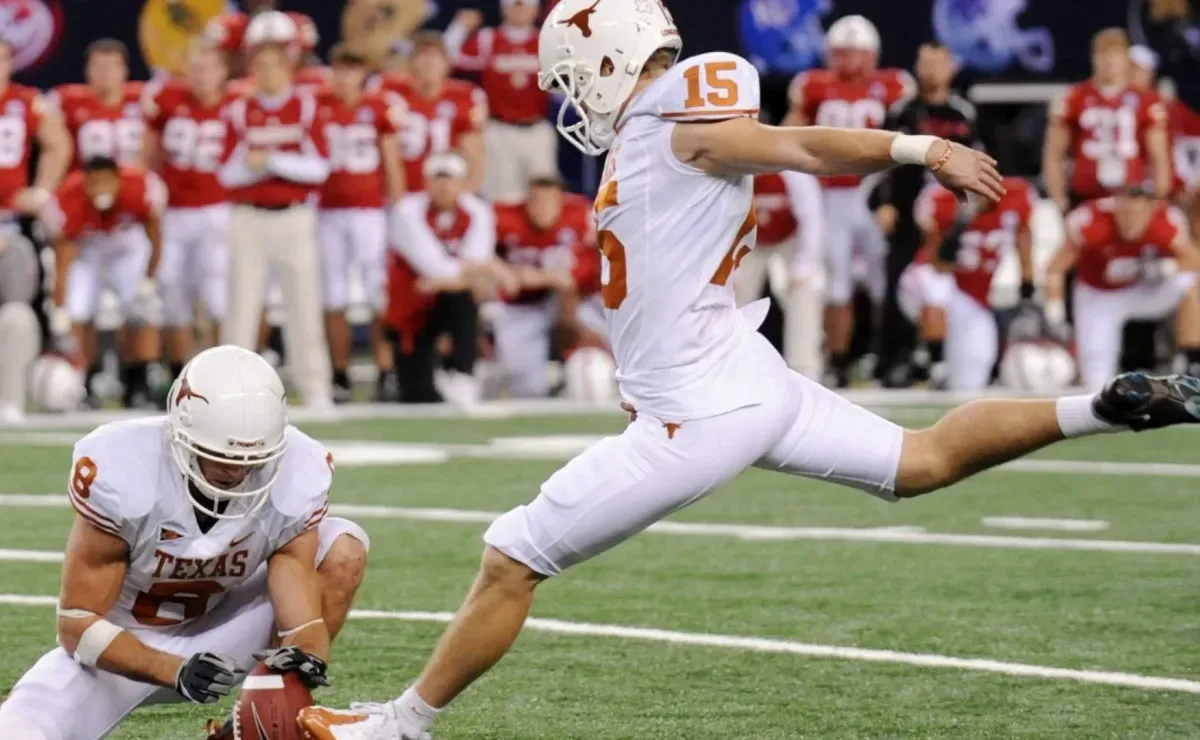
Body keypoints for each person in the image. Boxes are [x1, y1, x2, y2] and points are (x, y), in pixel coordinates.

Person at [298, 2, 1200, 737]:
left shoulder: (679, 116)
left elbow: (799, 147)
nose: (570, 95)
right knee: (919, 460)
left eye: (573, 75)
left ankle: (401, 727)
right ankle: (1102, 407)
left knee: (511, 556)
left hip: (700, 411)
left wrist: (920, 149)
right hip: (742, 372)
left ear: (611, 62)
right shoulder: (653, 131)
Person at [0, 345, 370, 740]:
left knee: (341, 545)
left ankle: (247, 729)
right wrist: (175, 670)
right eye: (219, 456)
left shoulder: (296, 469)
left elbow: (302, 622)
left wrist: (305, 657)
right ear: (181, 432)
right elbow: (77, 623)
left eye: (254, 459)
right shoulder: (125, 468)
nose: (237, 469)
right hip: (115, 650)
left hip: (224, 633)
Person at [786, 15, 914, 387]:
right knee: (836, 281)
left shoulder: (894, 85)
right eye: (841, 52)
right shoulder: (813, 85)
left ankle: (885, 354)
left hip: (875, 192)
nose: (849, 60)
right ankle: (839, 359)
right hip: (829, 194)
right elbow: (791, 133)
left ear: (873, 55)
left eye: (856, 52)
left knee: (884, 280)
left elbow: (909, 133)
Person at [218, 11, 333, 410]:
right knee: (242, 308)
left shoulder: (306, 107)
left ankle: (315, 387)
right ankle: (230, 392)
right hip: (248, 217)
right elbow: (227, 173)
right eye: (261, 65)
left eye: (275, 64)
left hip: (294, 216)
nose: (268, 73)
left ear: (289, 66)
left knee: (304, 304)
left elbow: (320, 168)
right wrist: (260, 164)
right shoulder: (239, 110)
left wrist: (270, 161)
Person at [874, 42, 980, 386]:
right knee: (898, 284)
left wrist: (969, 211)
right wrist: (884, 202)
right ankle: (897, 357)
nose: (931, 70)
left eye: (938, 63)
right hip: (907, 211)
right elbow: (880, 159)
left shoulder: (963, 113)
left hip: (950, 216)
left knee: (950, 284)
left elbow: (980, 162)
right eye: (926, 63)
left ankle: (946, 357)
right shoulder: (902, 111)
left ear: (952, 68)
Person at [316, 45, 406, 404]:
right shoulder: (317, 104)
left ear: (363, 75)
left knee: (377, 293)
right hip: (327, 211)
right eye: (340, 70)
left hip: (370, 211)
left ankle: (386, 369)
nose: (345, 78)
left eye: (352, 71)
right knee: (333, 295)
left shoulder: (378, 107)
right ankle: (339, 373)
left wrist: (397, 206)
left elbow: (391, 159)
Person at [142, 39, 234, 388]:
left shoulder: (237, 104)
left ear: (223, 71)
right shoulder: (168, 99)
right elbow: (149, 151)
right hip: (175, 211)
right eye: (195, 68)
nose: (201, 76)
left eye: (208, 68)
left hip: (218, 209)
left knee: (218, 294)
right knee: (170, 289)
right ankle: (180, 375)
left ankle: (224, 373)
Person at [1046, 187, 1200, 389]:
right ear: (1116, 208)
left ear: (1151, 210)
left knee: (1188, 281)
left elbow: (1194, 260)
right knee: (1095, 380)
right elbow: (1055, 268)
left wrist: (1166, 267)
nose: (1131, 222)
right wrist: (1054, 311)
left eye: (1139, 214)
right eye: (1126, 213)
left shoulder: (1165, 221)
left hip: (1143, 291)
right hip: (1100, 295)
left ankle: (1192, 360)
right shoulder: (1093, 222)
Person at [42, 157, 165, 409]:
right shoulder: (69, 196)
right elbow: (64, 257)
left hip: (127, 248)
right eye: (93, 182)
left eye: (106, 181)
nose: (100, 188)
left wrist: (149, 278)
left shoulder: (140, 186)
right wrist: (60, 302)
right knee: (78, 310)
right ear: (84, 182)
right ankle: (83, 380)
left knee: (140, 308)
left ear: (118, 179)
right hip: (89, 251)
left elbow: (154, 236)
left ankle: (140, 380)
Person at [388, 152, 507, 404]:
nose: (443, 186)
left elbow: (475, 262)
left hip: (450, 301)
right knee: (418, 396)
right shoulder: (407, 211)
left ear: (462, 182)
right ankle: (438, 377)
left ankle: (463, 373)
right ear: (426, 181)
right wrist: (475, 274)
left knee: (465, 298)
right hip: (413, 310)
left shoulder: (477, 210)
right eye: (437, 179)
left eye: (450, 179)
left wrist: (459, 278)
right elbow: (434, 266)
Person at [900, 177, 1036, 390]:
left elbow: (1023, 239)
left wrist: (1027, 284)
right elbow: (938, 263)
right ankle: (935, 365)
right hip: (924, 282)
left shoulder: (1016, 198)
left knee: (977, 363)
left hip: (972, 297)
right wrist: (959, 225)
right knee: (938, 287)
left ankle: (949, 383)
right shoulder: (942, 201)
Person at [1043, 29, 1172, 212]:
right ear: (1093, 58)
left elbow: (1159, 156)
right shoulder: (1073, 98)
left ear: (1126, 59)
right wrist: (1059, 198)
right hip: (1086, 197)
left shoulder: (1146, 101)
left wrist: (1158, 200)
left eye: (1115, 54)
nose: (1109, 61)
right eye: (1103, 54)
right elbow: (1054, 154)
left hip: (1132, 199)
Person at [492, 175, 593, 398]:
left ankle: (576, 362)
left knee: (590, 313)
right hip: (521, 305)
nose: (542, 208)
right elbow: (478, 252)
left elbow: (577, 275)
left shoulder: (580, 214)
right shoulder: (503, 216)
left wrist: (538, 277)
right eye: (536, 201)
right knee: (525, 386)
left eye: (549, 201)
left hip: (572, 302)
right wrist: (503, 271)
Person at [447, 0, 554, 203]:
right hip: (499, 130)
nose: (519, 10)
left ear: (535, 9)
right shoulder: (487, 39)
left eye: (524, 5)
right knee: (502, 198)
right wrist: (458, 28)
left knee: (544, 198)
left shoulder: (547, 39)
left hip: (537, 129)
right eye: (515, 5)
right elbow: (447, 59)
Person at [370, 31, 487, 195]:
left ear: (447, 63)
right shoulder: (387, 90)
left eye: (436, 56)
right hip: (397, 191)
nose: (429, 63)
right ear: (410, 62)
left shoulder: (465, 96)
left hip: (444, 193)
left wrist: (463, 197)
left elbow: (473, 155)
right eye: (423, 55)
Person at [738, 171, 824, 379]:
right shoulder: (738, 170)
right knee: (730, 297)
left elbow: (812, 218)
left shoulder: (795, 175)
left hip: (789, 239)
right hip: (749, 240)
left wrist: (804, 262)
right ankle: (729, 363)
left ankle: (804, 366)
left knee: (804, 291)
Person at [0, 38, 71, 223]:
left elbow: (58, 146)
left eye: (1, 59)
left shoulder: (28, 101)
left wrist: (42, 190)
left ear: (10, 64)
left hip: (13, 210)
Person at [49, 39, 145, 169]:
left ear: (125, 70)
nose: (105, 72)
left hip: (135, 177)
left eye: (112, 66)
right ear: (87, 70)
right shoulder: (67, 100)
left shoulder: (144, 97)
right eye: (98, 66)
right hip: (86, 178)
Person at [0, 232, 41, 424]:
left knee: (18, 316)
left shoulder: (15, 247)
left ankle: (10, 404)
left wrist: (3, 257)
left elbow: (18, 294)